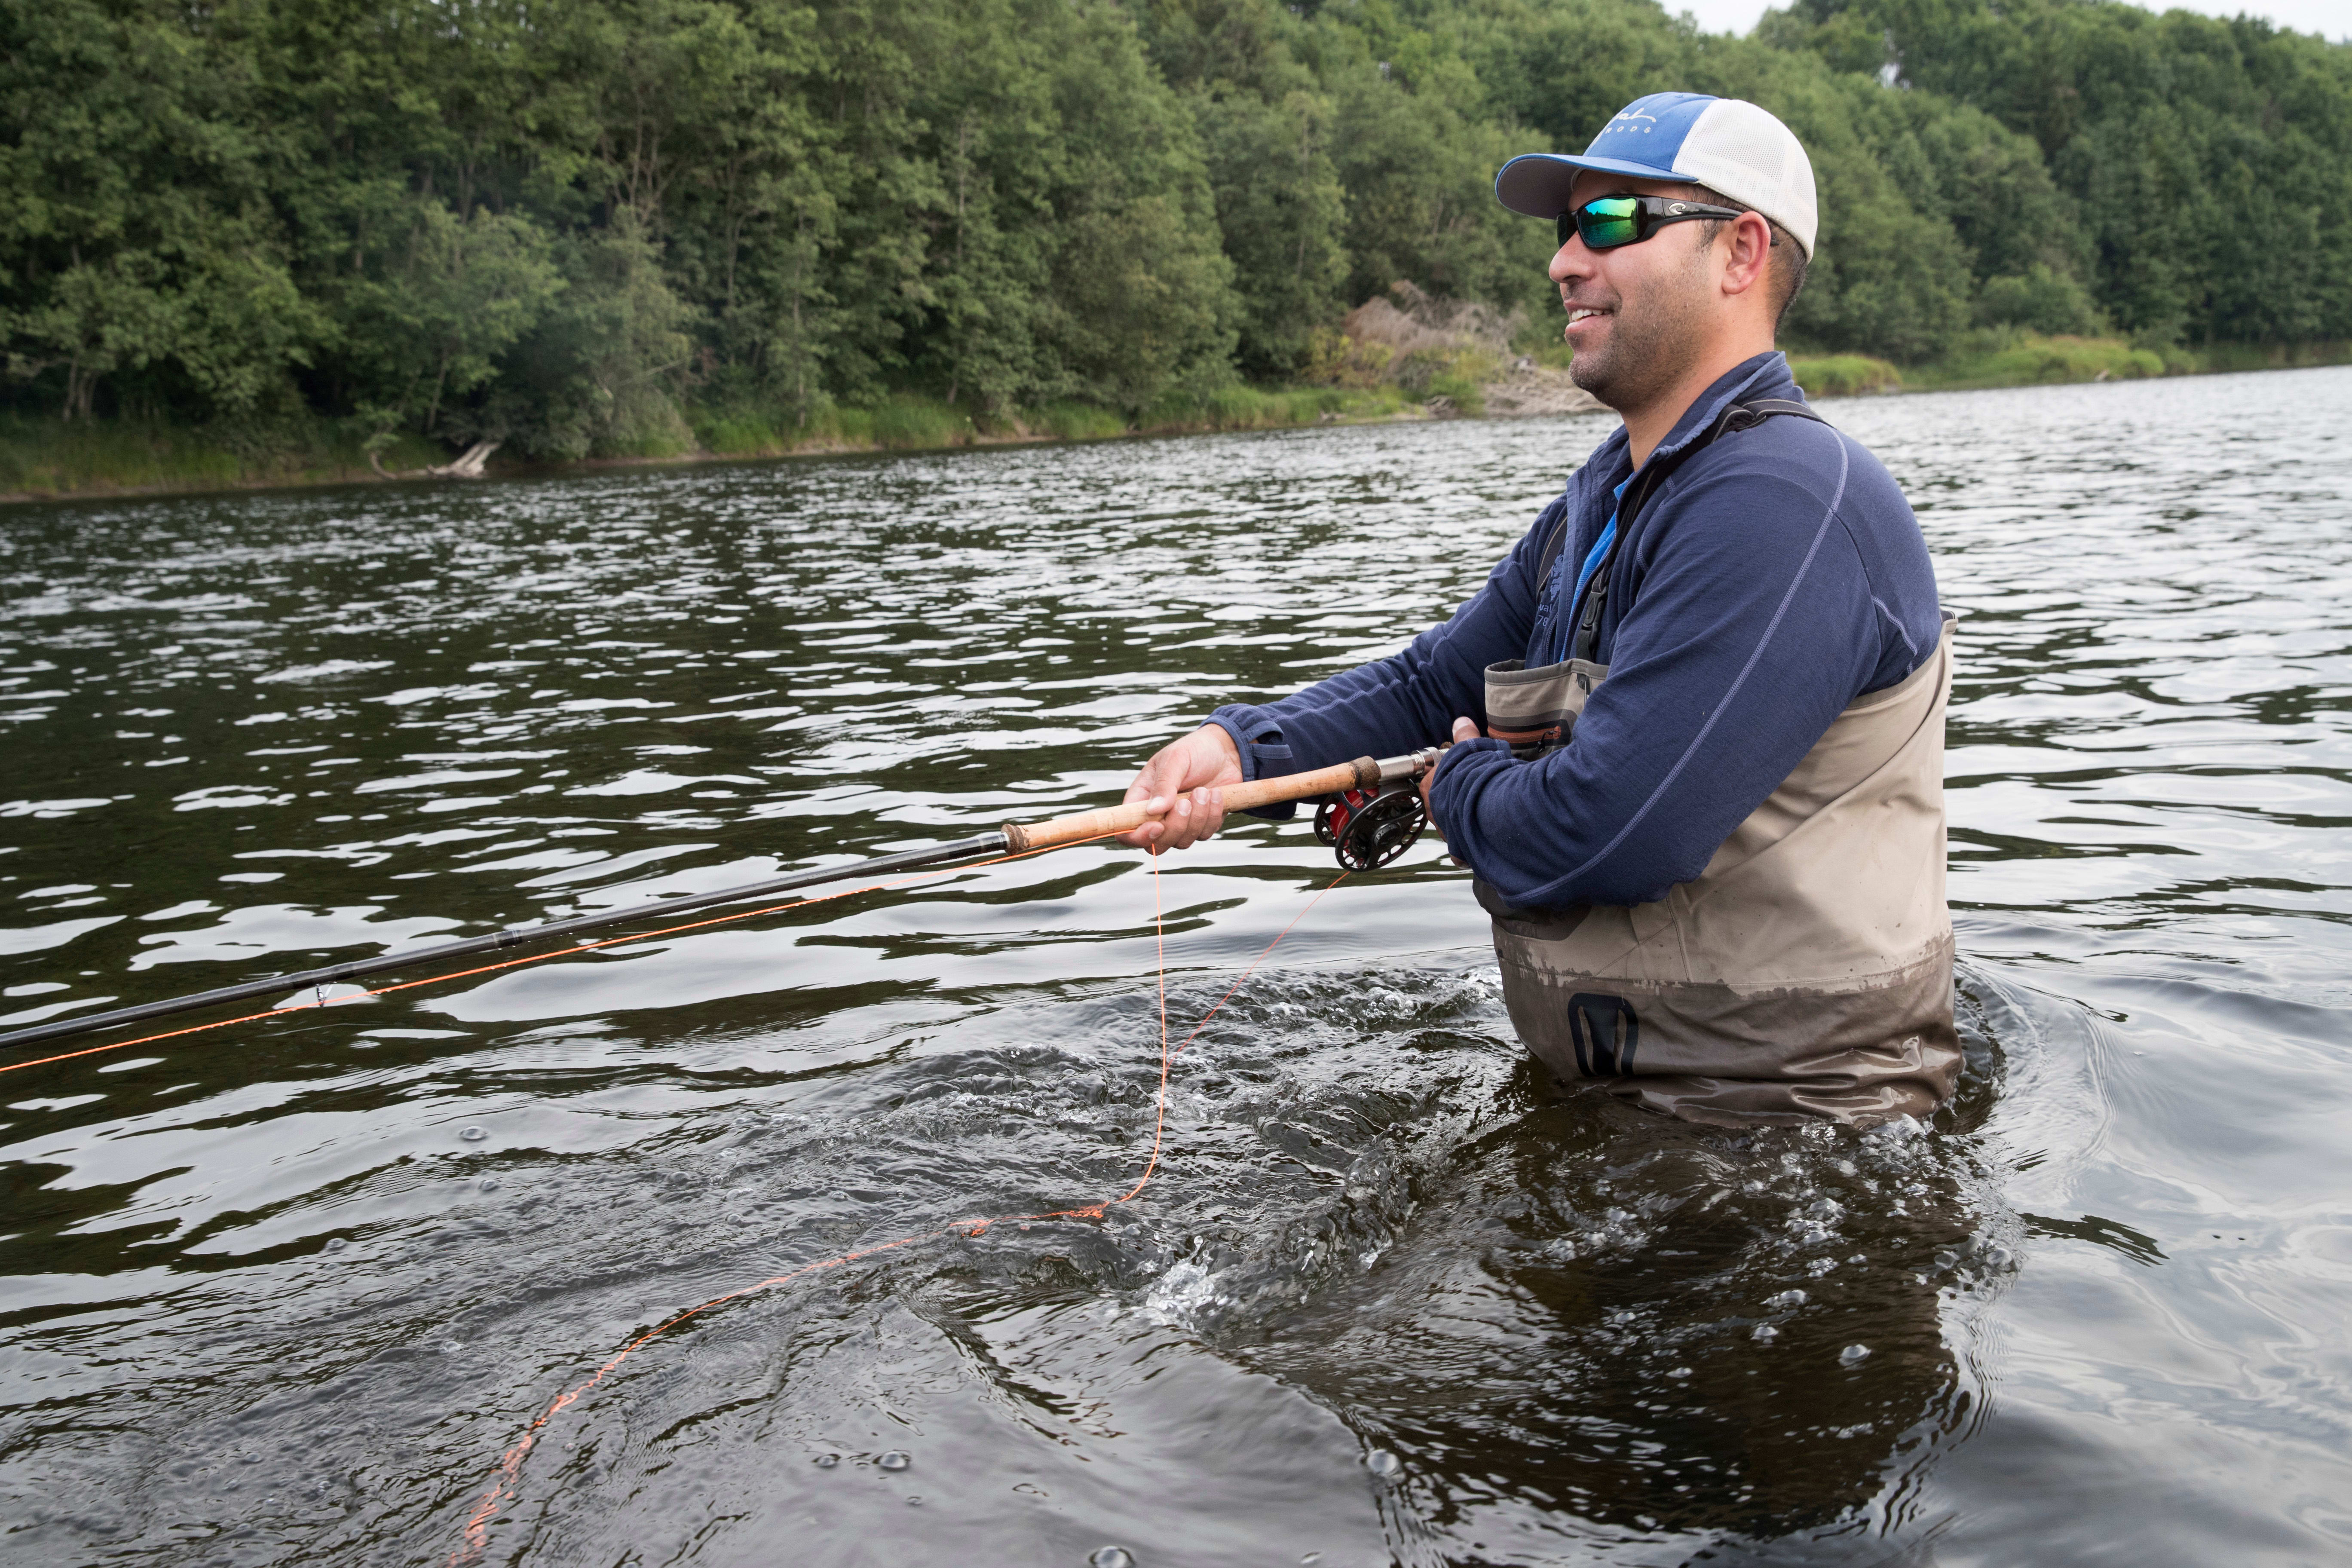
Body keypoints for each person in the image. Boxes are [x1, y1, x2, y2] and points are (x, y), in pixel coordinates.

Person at [1118, 92, 1957, 1127]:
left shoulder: (1786, 502)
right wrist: (1243, 750)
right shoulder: (1608, 495)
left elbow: (1611, 835)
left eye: (1610, 223)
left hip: (1790, 1139)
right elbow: (1437, 685)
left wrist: (1455, 781)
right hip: (1630, 1113)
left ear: (1741, 252)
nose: (1564, 260)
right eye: (1566, 227)